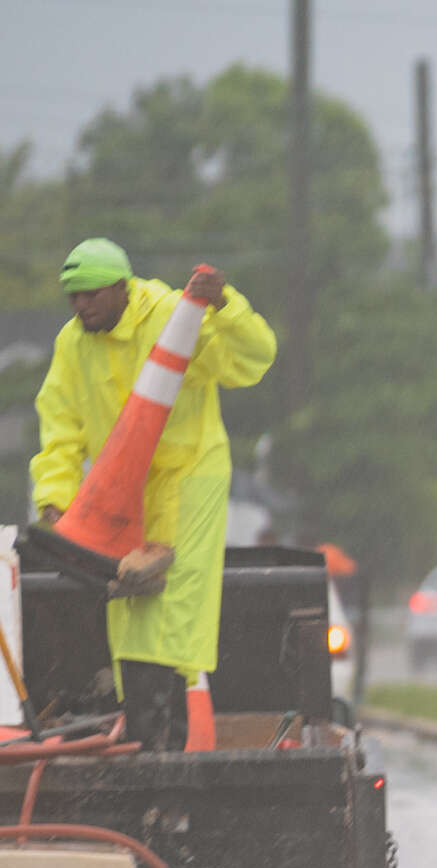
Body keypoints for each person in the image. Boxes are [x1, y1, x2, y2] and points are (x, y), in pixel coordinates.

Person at [29, 238, 276, 750]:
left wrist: (225, 302)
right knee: (129, 610)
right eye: (72, 297)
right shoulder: (72, 344)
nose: (80, 306)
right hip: (124, 492)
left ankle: (166, 749)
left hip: (189, 477)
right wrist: (55, 500)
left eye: (91, 295)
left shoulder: (171, 314)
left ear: (122, 288)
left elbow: (249, 361)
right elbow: (60, 430)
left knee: (171, 610)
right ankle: (149, 743)